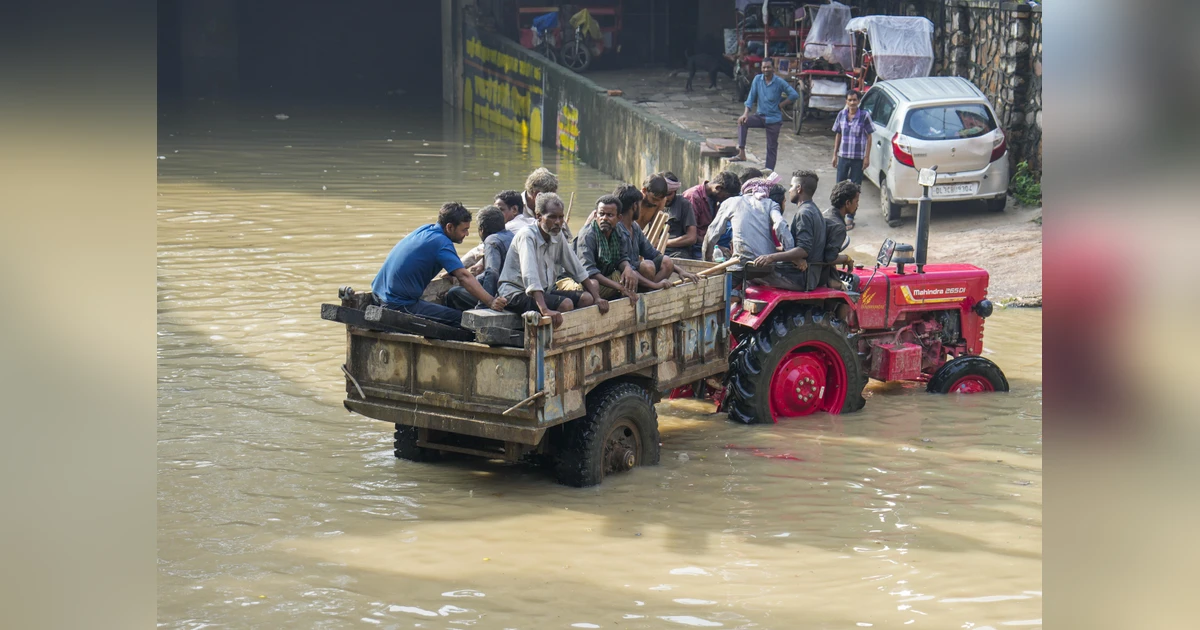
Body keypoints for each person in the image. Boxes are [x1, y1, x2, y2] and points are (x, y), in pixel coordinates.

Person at [371, 202, 507, 327]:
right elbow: (464, 277)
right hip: (398, 304)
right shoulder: (442, 243)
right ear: (449, 227)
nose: (466, 234)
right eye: (464, 229)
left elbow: (453, 266)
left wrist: (453, 270)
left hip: (377, 294)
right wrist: (490, 301)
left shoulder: (425, 229)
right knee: (464, 320)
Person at [498, 192, 599, 327]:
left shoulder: (557, 234)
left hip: (543, 291)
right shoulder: (527, 236)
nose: (558, 222)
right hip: (515, 293)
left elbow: (576, 268)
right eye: (552, 217)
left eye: (560, 217)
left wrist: (597, 298)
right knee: (566, 304)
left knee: (587, 298)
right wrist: (545, 309)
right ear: (539, 216)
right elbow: (530, 276)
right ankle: (554, 342)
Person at [613, 184, 700, 290]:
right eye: (640, 205)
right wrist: (655, 284)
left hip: (636, 273)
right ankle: (647, 290)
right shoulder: (616, 229)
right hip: (621, 275)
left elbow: (653, 254)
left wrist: (680, 270)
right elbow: (622, 266)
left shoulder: (634, 227)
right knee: (647, 266)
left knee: (667, 261)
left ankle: (648, 294)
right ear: (635, 206)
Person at [751, 170, 826, 291]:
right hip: (809, 275)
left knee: (749, 273)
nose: (789, 190)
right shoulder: (813, 210)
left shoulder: (804, 213)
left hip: (800, 277)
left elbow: (804, 250)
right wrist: (774, 251)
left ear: (799, 188)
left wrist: (771, 257)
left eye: (791, 186)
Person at [562, 195, 640, 302]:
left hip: (598, 277)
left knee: (630, 276)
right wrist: (620, 287)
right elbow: (589, 272)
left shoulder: (618, 232)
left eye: (610, 215)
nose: (604, 218)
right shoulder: (587, 235)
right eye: (601, 214)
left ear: (619, 218)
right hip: (574, 280)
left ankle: (623, 306)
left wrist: (627, 268)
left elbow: (622, 258)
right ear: (595, 215)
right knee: (593, 284)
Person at [701, 178, 793, 264]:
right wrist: (791, 254)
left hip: (740, 263)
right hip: (767, 265)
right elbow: (780, 224)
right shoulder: (771, 204)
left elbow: (712, 233)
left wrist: (707, 260)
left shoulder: (730, 202)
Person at [731, 57, 799, 171]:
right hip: (760, 116)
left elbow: (794, 95)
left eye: (768, 67)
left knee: (771, 146)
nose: (766, 69)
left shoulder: (779, 82)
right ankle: (741, 153)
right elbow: (751, 97)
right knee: (742, 123)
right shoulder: (757, 79)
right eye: (764, 67)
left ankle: (769, 170)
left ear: (773, 68)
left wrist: (781, 105)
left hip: (773, 119)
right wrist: (745, 114)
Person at [445, 206, 514, 310]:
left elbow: (492, 272)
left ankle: (460, 324)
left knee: (453, 293)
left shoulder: (492, 240)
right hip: (512, 291)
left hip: (503, 297)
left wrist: (484, 304)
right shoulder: (511, 235)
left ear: (482, 229)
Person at [831, 90, 873, 229]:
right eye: (850, 100)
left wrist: (867, 157)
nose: (852, 103)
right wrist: (835, 154)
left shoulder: (864, 116)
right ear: (846, 102)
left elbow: (869, 137)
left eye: (855, 100)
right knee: (839, 187)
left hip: (857, 158)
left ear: (859, 101)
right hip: (843, 156)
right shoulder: (841, 115)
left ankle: (850, 217)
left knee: (855, 188)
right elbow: (838, 134)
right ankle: (838, 215)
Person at [682, 170, 741, 259]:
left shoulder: (714, 198)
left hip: (707, 239)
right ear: (718, 188)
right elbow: (690, 235)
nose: (726, 201)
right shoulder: (693, 197)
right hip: (694, 244)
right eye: (726, 197)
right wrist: (716, 247)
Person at [659, 172, 698, 259]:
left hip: (677, 252)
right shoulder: (654, 203)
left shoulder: (684, 204)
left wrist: (663, 242)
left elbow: (692, 237)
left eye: (669, 194)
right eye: (663, 194)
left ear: (675, 191)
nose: (665, 198)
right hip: (654, 250)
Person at [506, 167, 558, 232]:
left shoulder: (552, 208)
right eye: (550, 197)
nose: (552, 200)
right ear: (537, 195)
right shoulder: (513, 208)